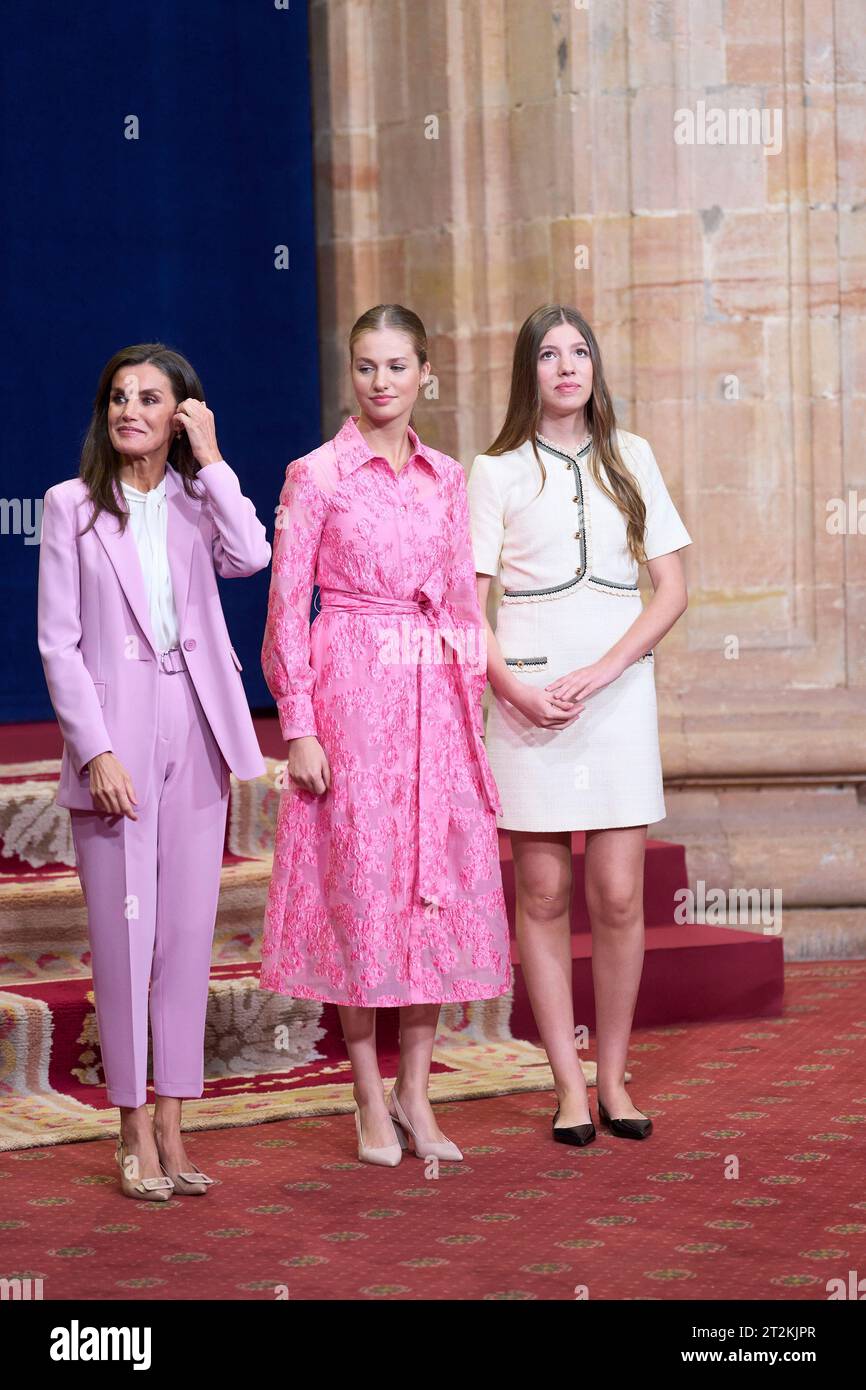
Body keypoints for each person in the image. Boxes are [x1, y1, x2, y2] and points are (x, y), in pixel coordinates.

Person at [260, 304, 511, 1166]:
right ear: (351, 375)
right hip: (349, 694)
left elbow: (462, 602)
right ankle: (366, 1091)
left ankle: (416, 1090)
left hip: (431, 699)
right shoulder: (316, 475)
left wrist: (467, 712)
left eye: (397, 367)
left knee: (424, 894)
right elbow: (287, 612)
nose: (381, 383)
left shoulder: (447, 478)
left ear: (425, 374)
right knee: (361, 890)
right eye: (367, 367)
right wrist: (299, 726)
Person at [37, 343, 271, 1198]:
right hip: (118, 737)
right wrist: (94, 748)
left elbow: (252, 556)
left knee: (184, 940)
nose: (130, 409)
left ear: (180, 413)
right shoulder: (70, 507)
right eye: (118, 397)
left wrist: (211, 461)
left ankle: (176, 1125)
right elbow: (57, 641)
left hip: (197, 726)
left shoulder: (197, 500)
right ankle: (130, 1126)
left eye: (149, 397)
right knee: (125, 942)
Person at [467, 304, 691, 1145]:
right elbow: (467, 604)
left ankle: (615, 1078)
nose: (568, 365)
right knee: (545, 889)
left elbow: (669, 587)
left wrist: (607, 669)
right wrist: (513, 694)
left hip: (619, 694)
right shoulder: (493, 470)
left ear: (596, 366)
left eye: (581, 351)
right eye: (551, 353)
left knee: (621, 893)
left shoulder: (634, 457)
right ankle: (566, 1084)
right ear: (529, 371)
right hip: (526, 697)